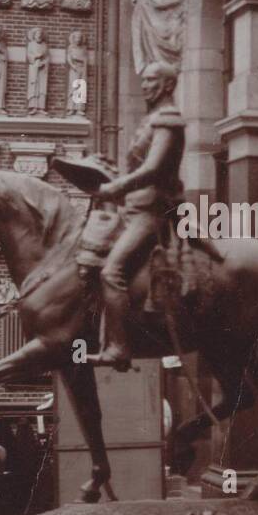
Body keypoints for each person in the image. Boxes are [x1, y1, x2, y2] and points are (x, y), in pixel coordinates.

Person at [87, 60, 185, 370]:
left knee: (111, 271)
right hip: (133, 207)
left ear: (168, 85)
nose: (144, 86)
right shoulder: (152, 119)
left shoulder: (169, 121)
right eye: (142, 80)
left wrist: (114, 186)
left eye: (151, 80)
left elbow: (153, 169)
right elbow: (137, 168)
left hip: (152, 210)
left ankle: (119, 347)